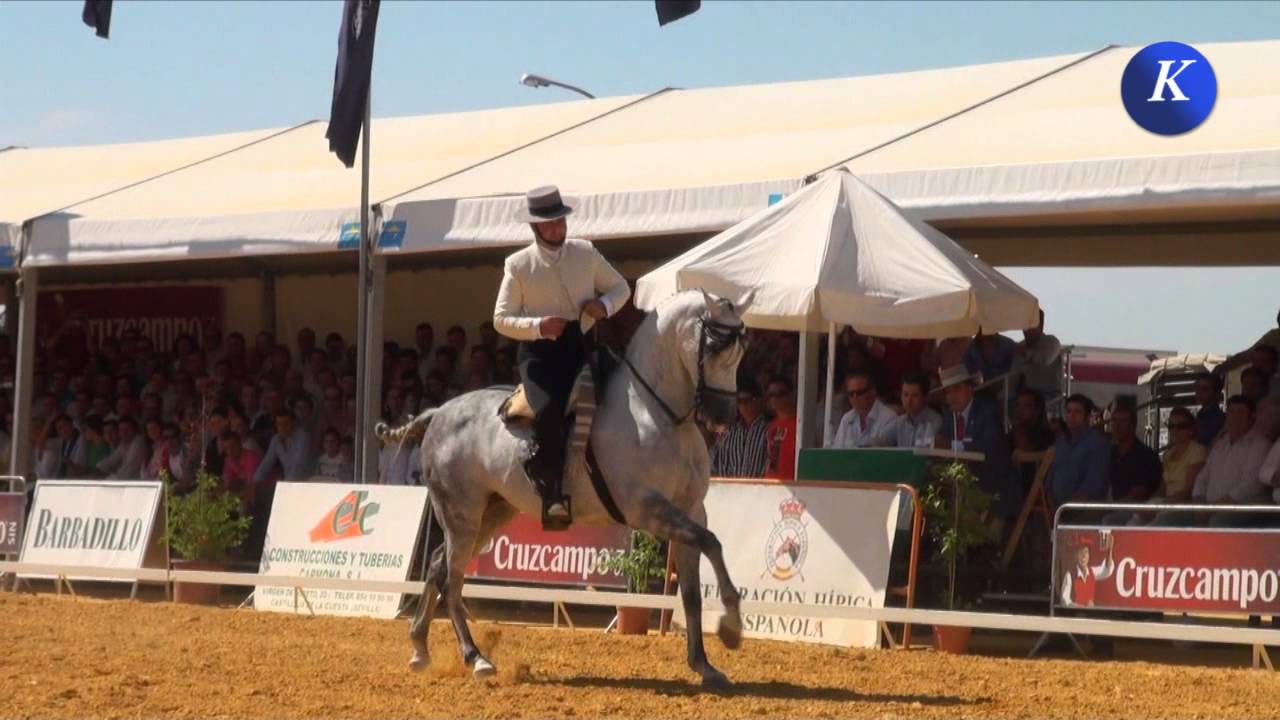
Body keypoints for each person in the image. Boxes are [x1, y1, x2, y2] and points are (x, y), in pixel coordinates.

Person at [492, 186, 631, 529]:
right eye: (549, 224)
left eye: (560, 221)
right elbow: (500, 318)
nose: (558, 228)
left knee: (623, 388)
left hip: (581, 345)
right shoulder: (518, 264)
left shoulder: (586, 252)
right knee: (551, 410)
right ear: (535, 228)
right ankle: (552, 489)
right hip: (540, 356)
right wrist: (539, 326)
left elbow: (621, 288)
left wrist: (605, 306)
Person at [1155, 395, 1271, 528]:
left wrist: (1214, 508)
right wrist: (1199, 501)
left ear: (1252, 418)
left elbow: (1250, 485)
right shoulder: (1220, 444)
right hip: (1207, 506)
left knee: (1218, 522)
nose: (1234, 417)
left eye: (1240, 413)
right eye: (1231, 412)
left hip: (1238, 508)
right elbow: (1203, 476)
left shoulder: (1260, 445)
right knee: (1168, 519)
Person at [937, 365, 1021, 519]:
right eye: (948, 392)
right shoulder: (950, 416)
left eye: (957, 389)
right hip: (963, 484)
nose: (952, 396)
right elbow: (941, 442)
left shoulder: (987, 411)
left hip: (992, 484)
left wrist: (951, 445)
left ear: (970, 389)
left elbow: (988, 447)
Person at [1046, 394, 1111, 506]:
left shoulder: (1098, 443)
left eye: (1077, 412)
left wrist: (1066, 509)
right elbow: (1050, 478)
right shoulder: (1060, 443)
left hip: (1085, 509)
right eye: (1069, 411)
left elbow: (1092, 484)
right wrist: (1051, 506)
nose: (1072, 416)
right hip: (1055, 509)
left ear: (1087, 416)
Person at [709, 378, 769, 478]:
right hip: (729, 489)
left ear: (758, 401)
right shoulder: (729, 432)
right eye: (739, 401)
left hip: (758, 490)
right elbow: (715, 458)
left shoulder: (768, 430)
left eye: (747, 401)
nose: (743, 405)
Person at [1107, 405, 1161, 503]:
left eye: (1123, 421)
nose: (1117, 425)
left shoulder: (1146, 456)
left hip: (1137, 511)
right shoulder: (1110, 453)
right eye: (1114, 421)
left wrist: (1106, 509)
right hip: (1113, 506)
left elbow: (1137, 495)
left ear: (1133, 425)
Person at [831, 371, 896, 449]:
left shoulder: (889, 419)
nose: (855, 397)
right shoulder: (847, 418)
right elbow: (837, 450)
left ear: (872, 391)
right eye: (851, 394)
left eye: (859, 393)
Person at [879, 372, 942, 448]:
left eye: (914, 395)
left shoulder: (935, 421)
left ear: (926, 397)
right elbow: (880, 440)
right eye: (905, 395)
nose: (908, 401)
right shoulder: (900, 422)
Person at [1013, 310, 1063, 400]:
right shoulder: (1021, 346)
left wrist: (1025, 353)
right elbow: (1013, 374)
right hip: (1026, 393)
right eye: (1024, 326)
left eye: (1030, 325)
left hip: (1049, 393)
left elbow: (1045, 360)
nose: (1026, 330)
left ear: (1041, 325)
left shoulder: (1052, 342)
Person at [764, 376, 798, 482]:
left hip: (794, 485)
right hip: (772, 485)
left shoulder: (801, 424)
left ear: (791, 395)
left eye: (780, 394)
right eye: (771, 395)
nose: (774, 399)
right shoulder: (772, 426)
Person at [1193, 372, 1225, 448]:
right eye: (1197, 388)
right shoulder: (1200, 415)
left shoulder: (1220, 419)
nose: (1199, 392)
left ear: (1216, 393)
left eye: (1205, 389)